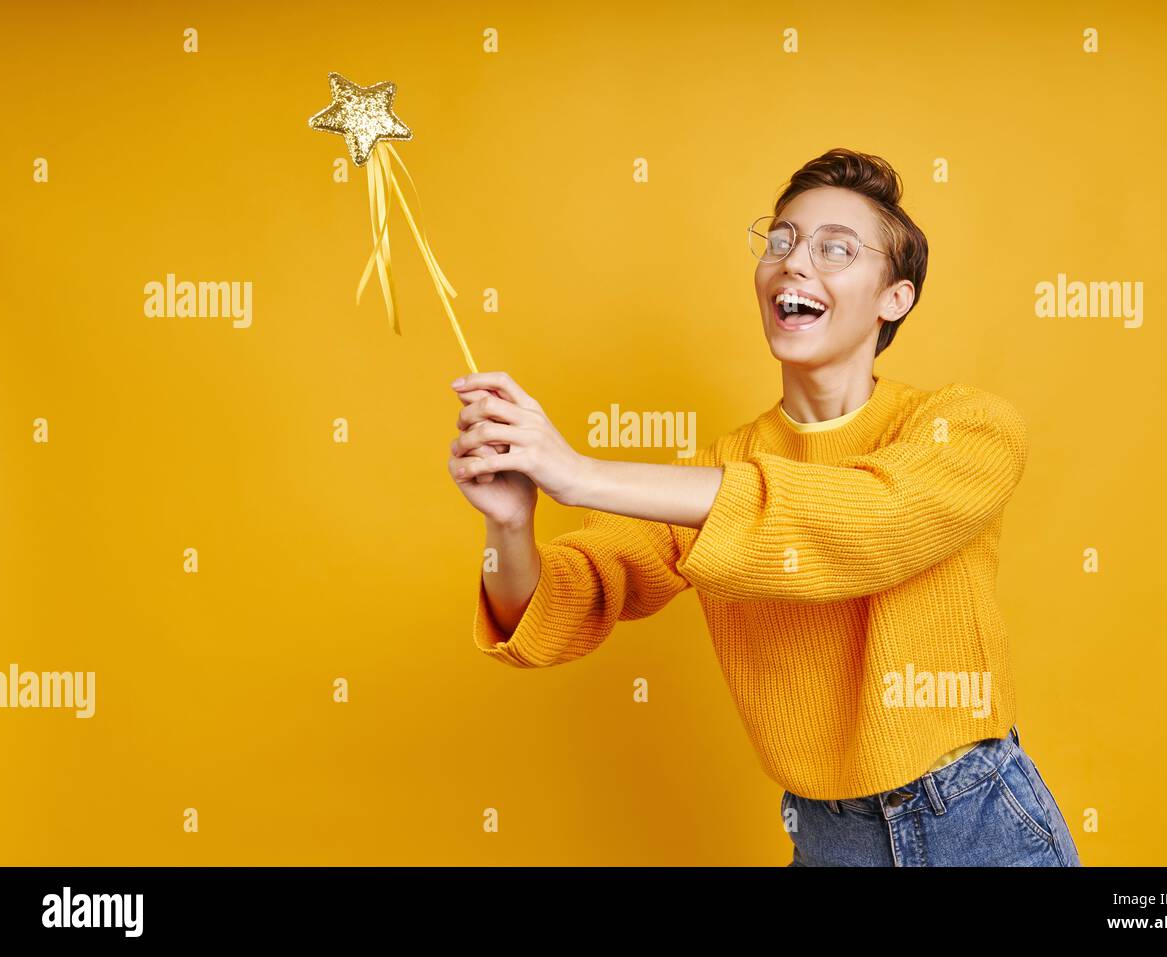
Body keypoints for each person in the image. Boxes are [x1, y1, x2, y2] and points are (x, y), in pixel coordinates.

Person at [447, 147, 1080, 866]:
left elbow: (869, 519)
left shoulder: (966, 427)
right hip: (828, 839)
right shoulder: (713, 478)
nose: (793, 262)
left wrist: (579, 474)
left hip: (977, 825)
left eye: (835, 248)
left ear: (894, 297)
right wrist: (509, 523)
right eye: (781, 240)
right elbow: (559, 604)